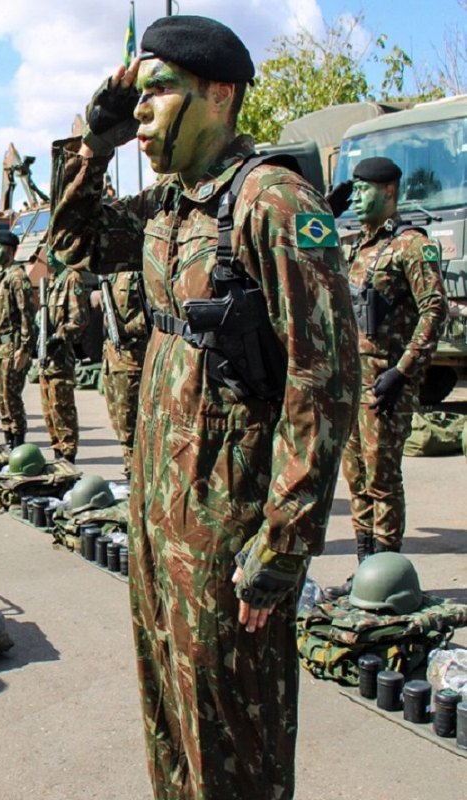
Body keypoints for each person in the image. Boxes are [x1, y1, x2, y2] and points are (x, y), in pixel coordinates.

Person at [48, 15, 359, 799]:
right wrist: (95, 145)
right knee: (170, 727)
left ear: (219, 95)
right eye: (137, 97)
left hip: (228, 526)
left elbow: (324, 379)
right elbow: (71, 245)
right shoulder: (170, 208)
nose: (142, 111)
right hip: (161, 514)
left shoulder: (272, 202)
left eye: (158, 91)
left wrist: (282, 542)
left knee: (232, 746)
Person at [332, 157, 447, 559]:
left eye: (364, 190)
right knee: (357, 478)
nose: (357, 198)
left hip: (386, 382)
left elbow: (434, 310)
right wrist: (324, 213)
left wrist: (403, 371)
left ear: (389, 191)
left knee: (381, 479)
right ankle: (365, 569)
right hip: (354, 380)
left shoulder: (411, 244)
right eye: (355, 190)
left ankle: (386, 570)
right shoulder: (356, 244)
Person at [98, 270, 148, 481]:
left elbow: (153, 310)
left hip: (132, 361)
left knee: (132, 429)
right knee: (120, 427)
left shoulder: (141, 271)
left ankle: (138, 480)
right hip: (112, 360)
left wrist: (125, 329)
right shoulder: (114, 272)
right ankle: (131, 474)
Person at [38, 253, 89, 463]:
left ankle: (68, 460)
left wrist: (57, 336)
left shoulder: (72, 279)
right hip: (46, 359)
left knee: (62, 410)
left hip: (60, 357)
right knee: (49, 413)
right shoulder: (52, 282)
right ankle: (57, 455)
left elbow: (79, 320)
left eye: (53, 249)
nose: (48, 254)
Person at [0, 231, 34, 447]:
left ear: (9, 250)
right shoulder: (2, 277)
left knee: (11, 397)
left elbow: (27, 315)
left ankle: (18, 443)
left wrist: (24, 348)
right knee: (1, 398)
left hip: (12, 346)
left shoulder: (18, 277)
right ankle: (9, 441)